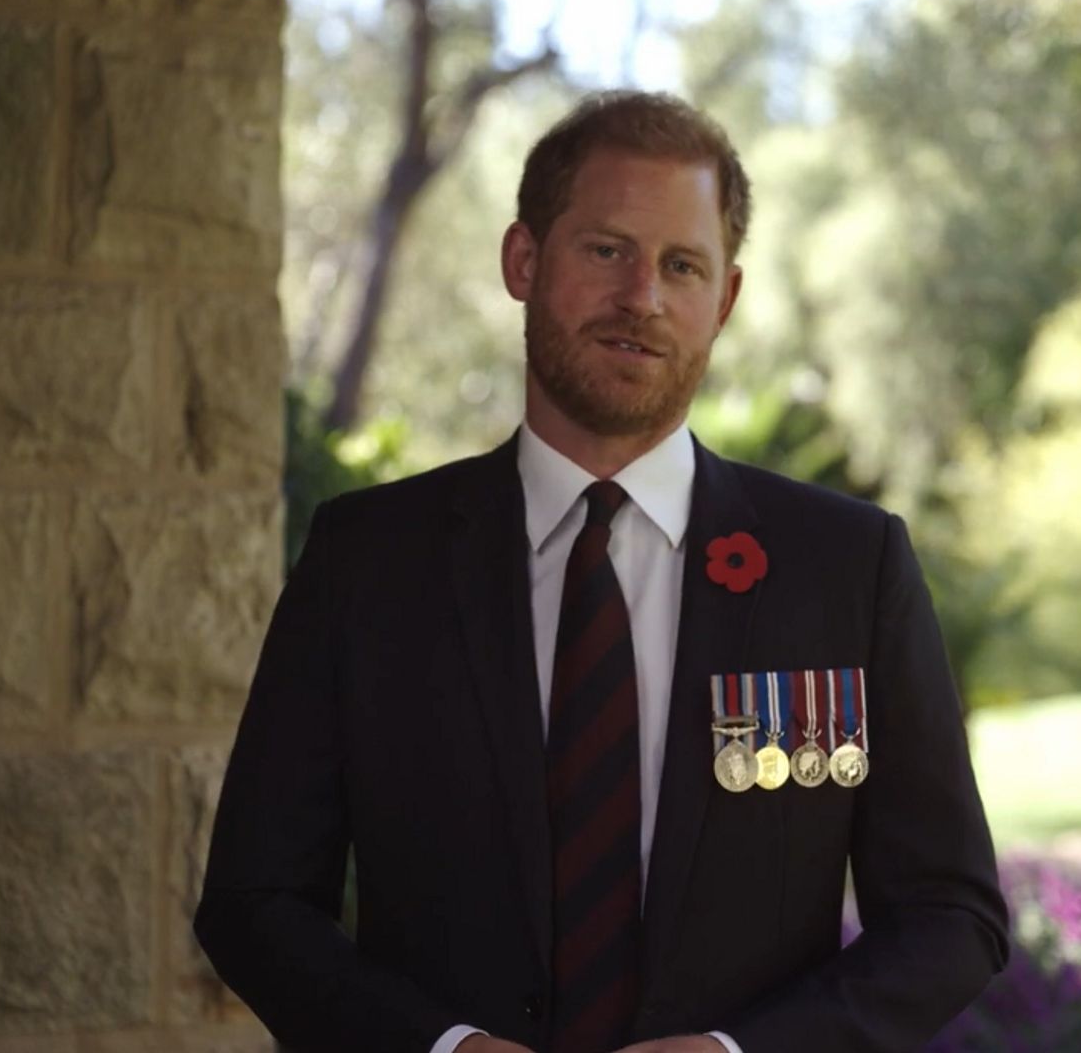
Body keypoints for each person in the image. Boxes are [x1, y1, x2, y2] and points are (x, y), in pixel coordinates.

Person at [194, 90, 1010, 1053]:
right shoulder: (367, 562)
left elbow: (953, 917)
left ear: (727, 298)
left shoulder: (846, 568)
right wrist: (439, 1050)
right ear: (523, 261)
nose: (644, 297)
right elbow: (254, 903)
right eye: (607, 250)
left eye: (682, 265)